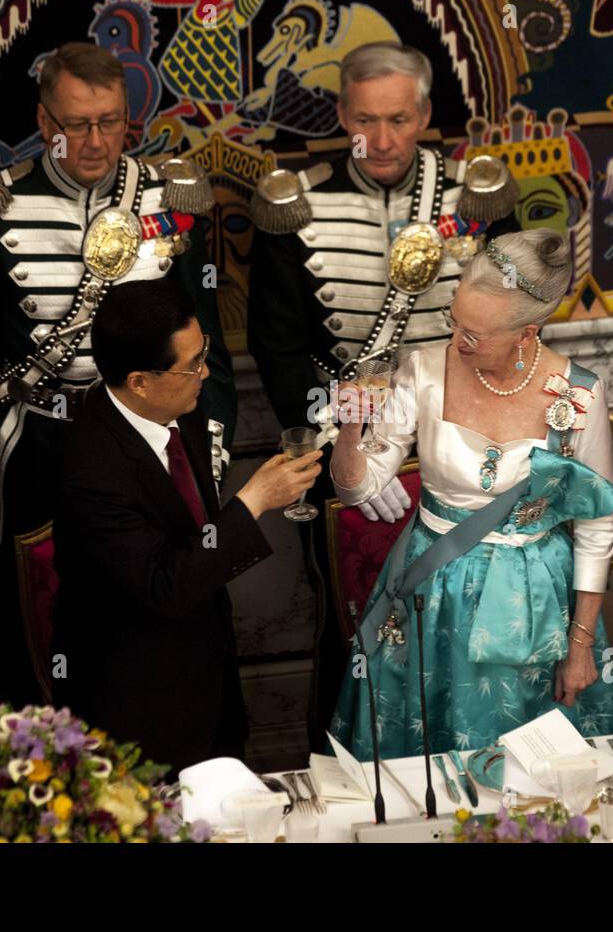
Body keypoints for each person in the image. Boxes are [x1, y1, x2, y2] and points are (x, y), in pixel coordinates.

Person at [247, 40, 521, 749]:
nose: (382, 139)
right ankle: (348, 765)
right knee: (353, 617)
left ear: (425, 113)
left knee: (479, 611)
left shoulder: (476, 197)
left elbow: (518, 325)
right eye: (365, 120)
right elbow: (276, 348)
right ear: (342, 115)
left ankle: (477, 752)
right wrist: (343, 452)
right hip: (354, 451)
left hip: (465, 445)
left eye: (399, 120)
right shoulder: (293, 206)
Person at [328, 229, 613, 760]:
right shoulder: (423, 371)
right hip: (429, 592)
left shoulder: (580, 395)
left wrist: (580, 646)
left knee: (537, 764)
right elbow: (358, 490)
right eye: (455, 323)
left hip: (538, 601)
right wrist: (350, 431)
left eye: (477, 335)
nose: (459, 343)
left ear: (526, 332)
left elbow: (597, 527)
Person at [0, 40, 236, 551]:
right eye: (77, 125)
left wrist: (211, 447)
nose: (95, 142)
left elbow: (209, 347)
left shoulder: (170, 199)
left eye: (111, 121)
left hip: (155, 438)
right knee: (38, 607)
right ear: (45, 122)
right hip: (41, 445)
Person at [52, 279, 321, 772]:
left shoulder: (184, 410)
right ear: (139, 381)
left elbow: (200, 538)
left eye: (206, 353)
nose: (206, 372)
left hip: (208, 674)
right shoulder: (87, 466)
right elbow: (164, 584)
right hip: (134, 704)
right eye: (193, 363)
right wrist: (255, 499)